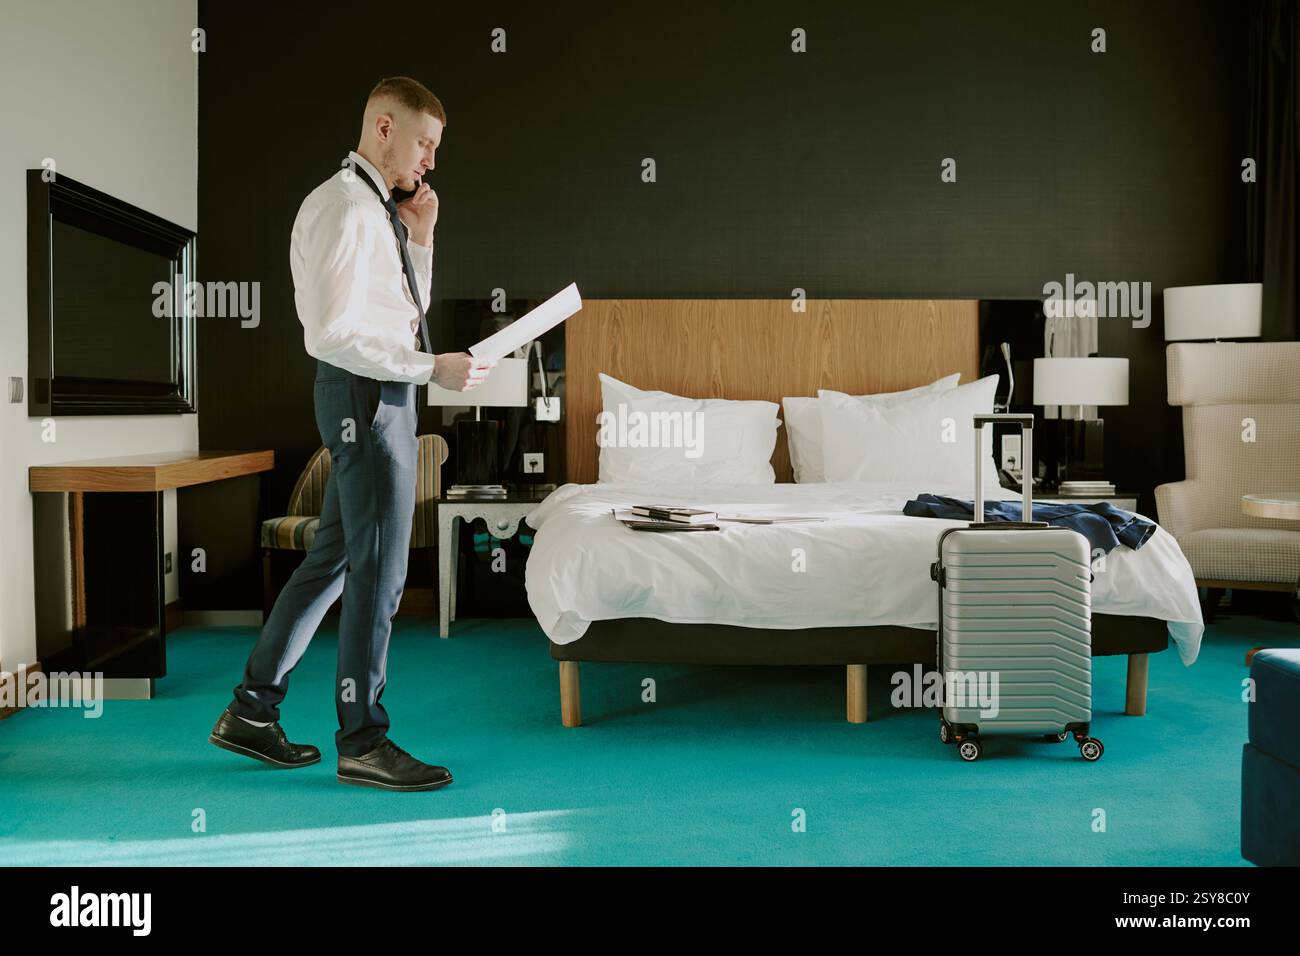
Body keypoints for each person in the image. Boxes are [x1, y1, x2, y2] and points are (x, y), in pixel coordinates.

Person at [209, 76, 495, 791]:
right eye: (424, 142)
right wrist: (431, 368)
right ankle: (363, 739)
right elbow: (330, 334)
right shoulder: (342, 207)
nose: (431, 160)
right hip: (364, 396)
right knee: (379, 571)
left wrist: (421, 240)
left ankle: (251, 710)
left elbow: (399, 316)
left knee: (335, 559)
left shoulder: (377, 209)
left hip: (381, 391)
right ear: (384, 127)